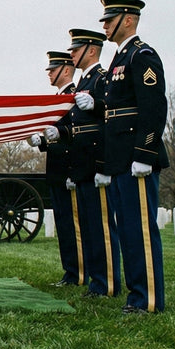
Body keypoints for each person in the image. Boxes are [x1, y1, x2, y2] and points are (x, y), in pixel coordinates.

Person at [97, 0, 169, 314]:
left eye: (109, 19)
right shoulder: (118, 60)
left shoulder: (142, 56)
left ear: (128, 19)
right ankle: (136, 295)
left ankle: (147, 299)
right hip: (118, 159)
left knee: (140, 229)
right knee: (126, 229)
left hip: (135, 158)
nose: (104, 25)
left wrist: (145, 152)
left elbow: (153, 107)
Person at [49, 29, 122, 299]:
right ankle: (97, 281)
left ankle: (107, 283)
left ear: (91, 50)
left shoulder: (101, 80)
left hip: (95, 165)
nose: (71, 55)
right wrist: (60, 135)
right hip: (81, 166)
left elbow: (107, 125)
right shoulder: (83, 84)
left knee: (101, 228)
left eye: (75, 50)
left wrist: (103, 166)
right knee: (90, 228)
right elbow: (77, 130)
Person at [28, 51, 83, 287]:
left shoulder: (75, 98)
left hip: (71, 170)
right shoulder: (58, 98)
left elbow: (78, 135)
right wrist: (41, 142)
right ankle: (70, 271)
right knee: (64, 225)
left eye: (53, 69)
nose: (49, 73)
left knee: (74, 226)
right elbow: (58, 137)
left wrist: (73, 172)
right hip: (57, 170)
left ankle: (78, 272)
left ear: (66, 70)